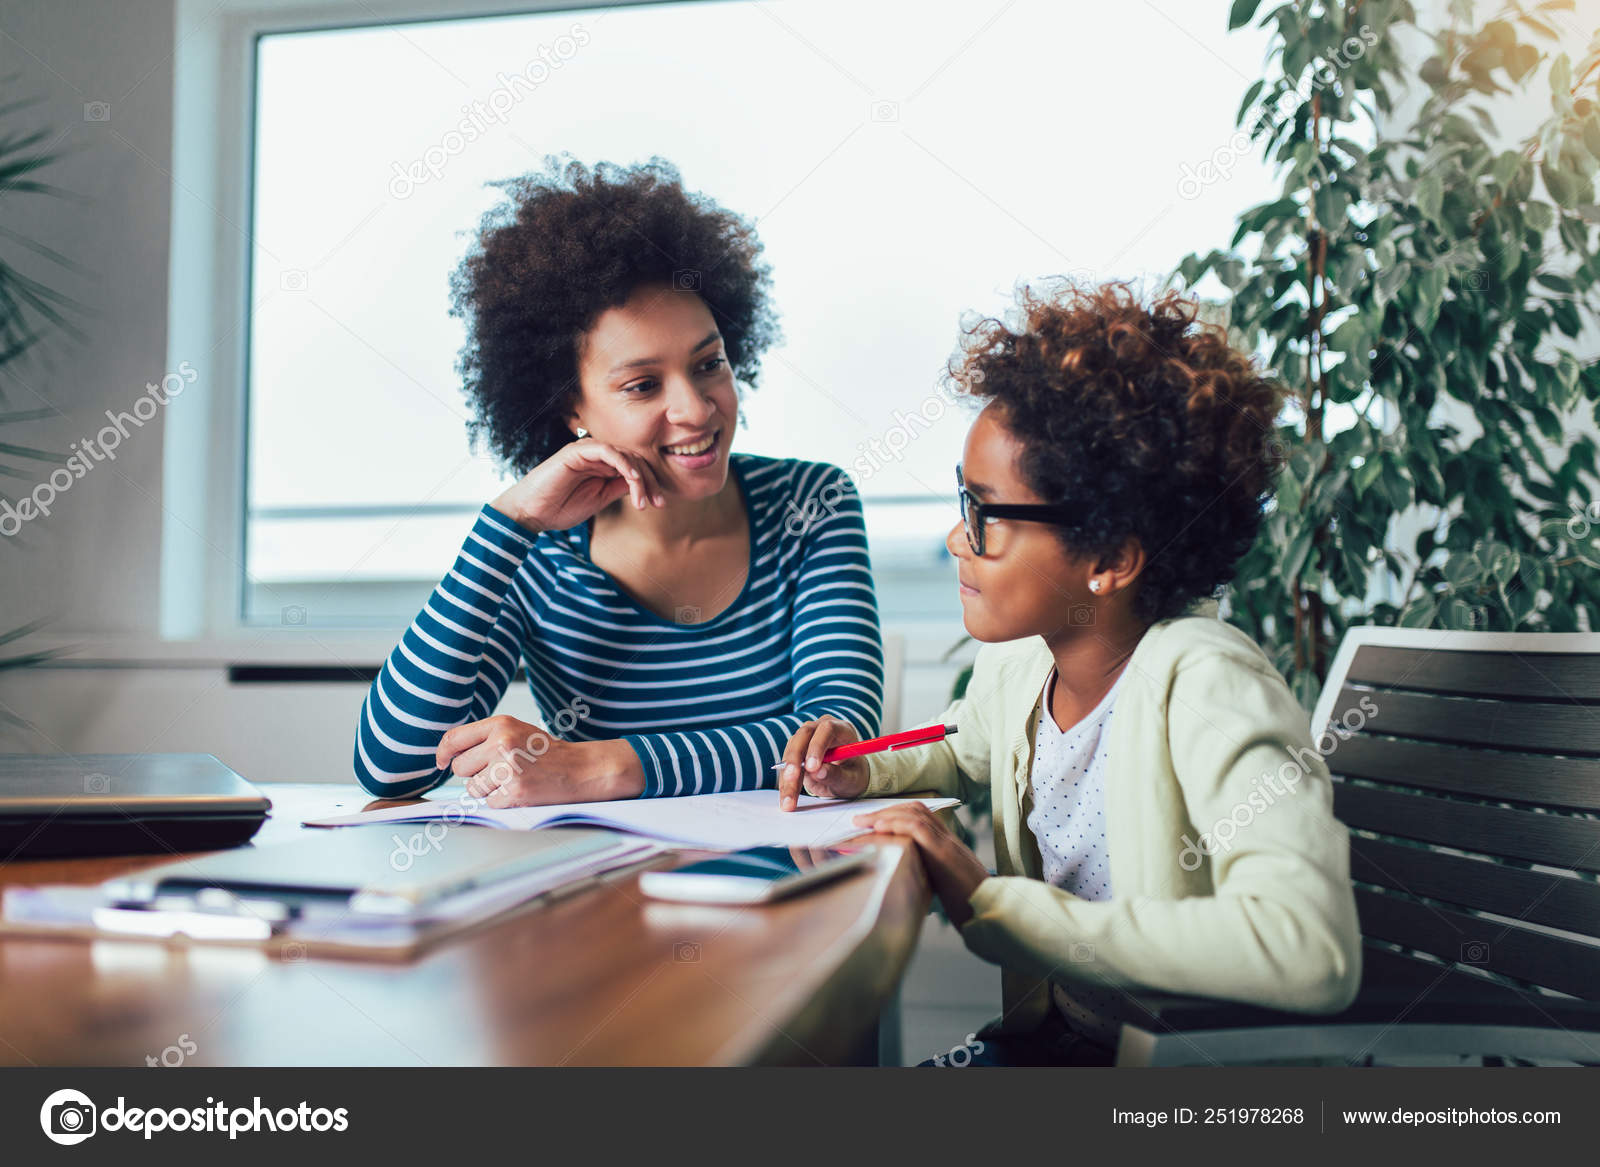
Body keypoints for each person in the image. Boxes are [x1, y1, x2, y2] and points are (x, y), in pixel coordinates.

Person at [779, 281, 1362, 1065]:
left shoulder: (1208, 686)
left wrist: (992, 902)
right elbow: (964, 748)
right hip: (1052, 1044)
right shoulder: (1022, 662)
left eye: (986, 513)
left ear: (1111, 558)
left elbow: (1308, 947)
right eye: (963, 503)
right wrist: (862, 769)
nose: (958, 537)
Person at [354, 158, 883, 805]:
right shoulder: (538, 553)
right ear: (569, 408)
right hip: (607, 891)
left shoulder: (811, 504)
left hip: (790, 884)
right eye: (643, 385)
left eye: (709, 363)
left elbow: (835, 746)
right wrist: (506, 524)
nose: (695, 407)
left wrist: (595, 767)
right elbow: (393, 768)